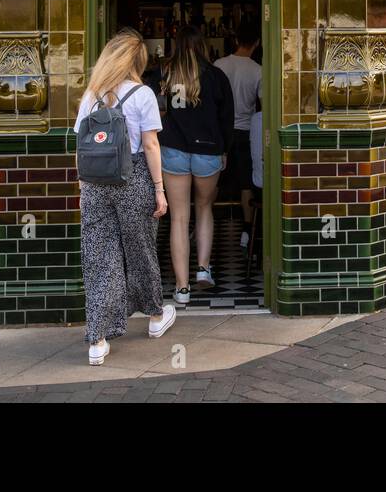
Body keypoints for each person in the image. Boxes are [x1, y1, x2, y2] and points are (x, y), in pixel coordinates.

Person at [74, 28, 174, 366]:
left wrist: (82, 187)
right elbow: (150, 145)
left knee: (100, 258)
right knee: (140, 249)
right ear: (137, 61)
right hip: (133, 179)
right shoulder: (143, 94)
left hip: (95, 184)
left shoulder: (91, 94)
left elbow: (80, 145)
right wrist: (160, 190)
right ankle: (155, 317)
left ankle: (98, 340)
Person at [156, 25, 234, 304]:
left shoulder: (165, 74)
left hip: (173, 150)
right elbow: (228, 119)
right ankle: (202, 269)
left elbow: (157, 113)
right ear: (203, 45)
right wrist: (224, 150)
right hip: (208, 151)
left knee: (178, 217)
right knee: (204, 208)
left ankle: (182, 288)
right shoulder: (216, 76)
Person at [214, 21, 261, 248]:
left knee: (213, 182)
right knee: (246, 184)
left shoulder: (219, 65)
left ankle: (202, 225)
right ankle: (246, 231)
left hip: (221, 132)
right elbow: (263, 104)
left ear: (235, 40)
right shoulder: (258, 70)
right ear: (257, 43)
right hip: (245, 132)